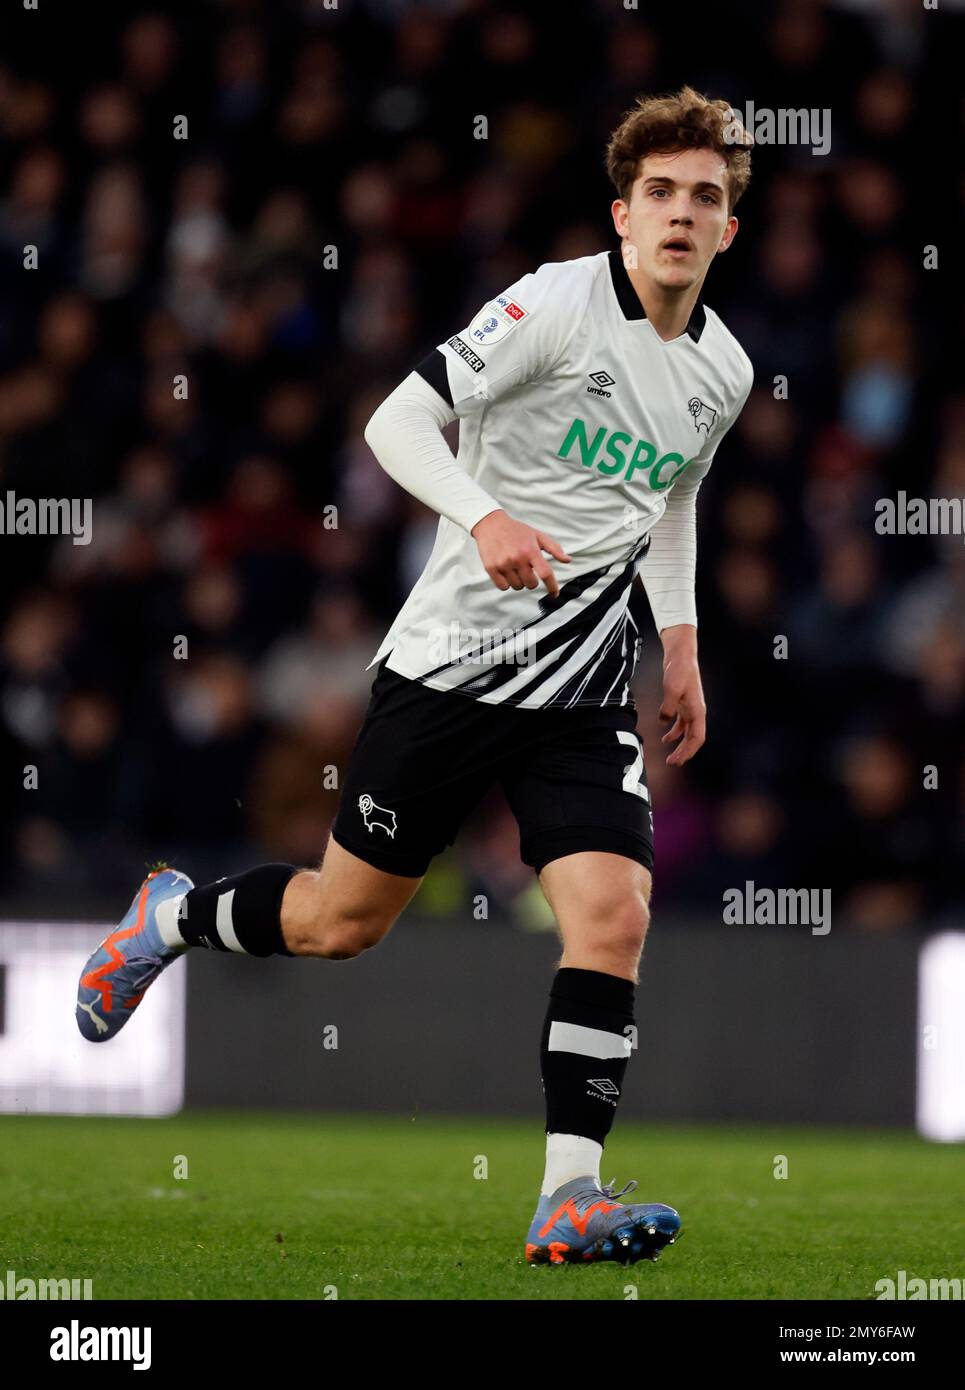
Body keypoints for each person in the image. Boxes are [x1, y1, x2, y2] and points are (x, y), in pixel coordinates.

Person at [76, 86, 754, 1267]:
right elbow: (394, 425)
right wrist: (483, 515)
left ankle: (565, 1197)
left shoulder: (725, 372)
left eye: (705, 196)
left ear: (728, 228)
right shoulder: (551, 302)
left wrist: (681, 638)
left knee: (612, 914)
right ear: (622, 210)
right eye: (660, 194)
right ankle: (169, 916)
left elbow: (672, 500)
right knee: (344, 924)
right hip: (449, 668)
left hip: (581, 693)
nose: (681, 215)